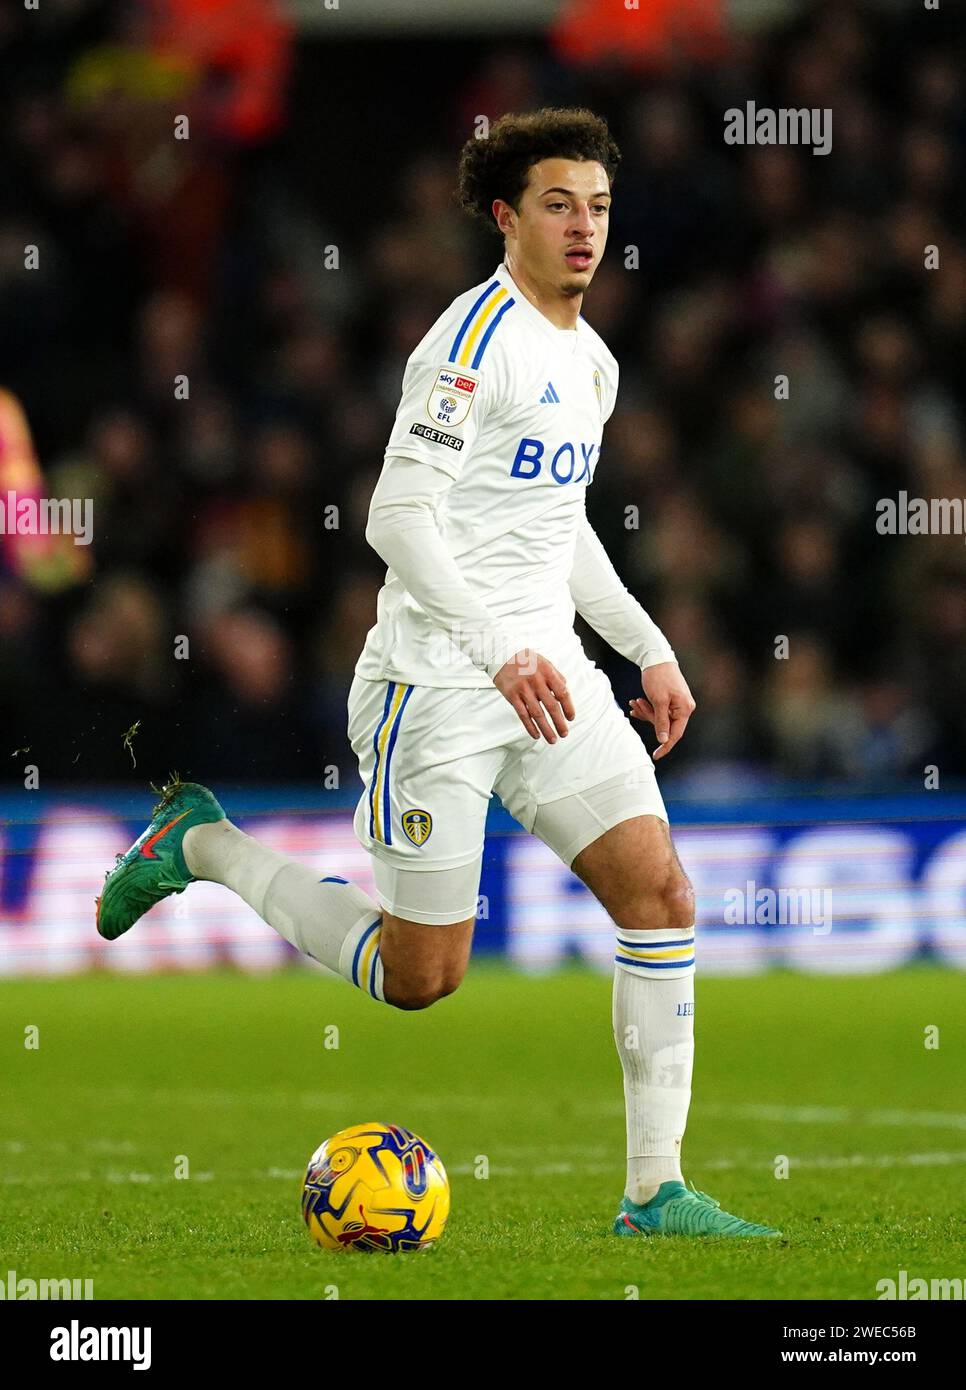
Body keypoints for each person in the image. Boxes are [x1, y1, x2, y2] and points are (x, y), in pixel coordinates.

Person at [97, 107, 779, 1239]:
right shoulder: (472, 345)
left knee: (659, 894)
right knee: (422, 977)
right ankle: (200, 842)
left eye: (600, 207)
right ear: (507, 216)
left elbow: (556, 528)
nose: (584, 228)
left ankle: (654, 1190)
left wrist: (647, 643)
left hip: (549, 673)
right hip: (440, 683)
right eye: (558, 204)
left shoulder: (593, 362)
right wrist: (497, 647)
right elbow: (397, 517)